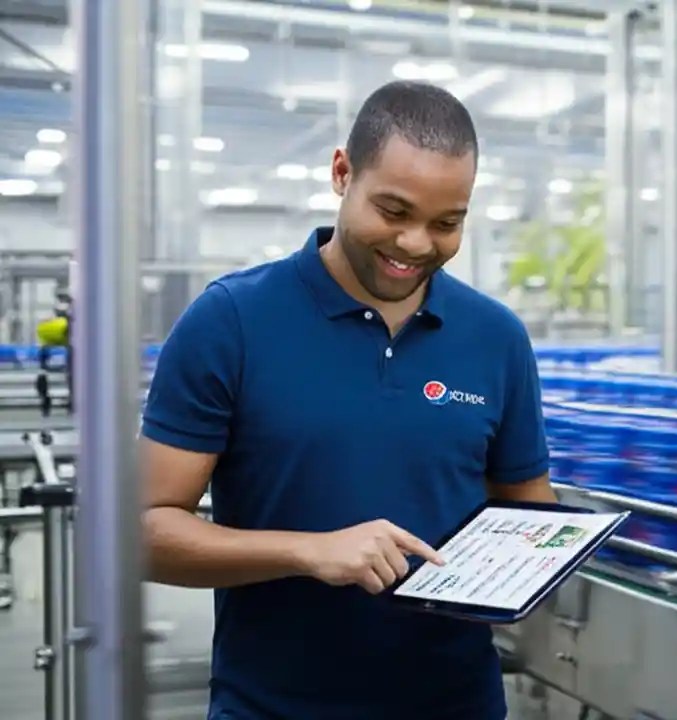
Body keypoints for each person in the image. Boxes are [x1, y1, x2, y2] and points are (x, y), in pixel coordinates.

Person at [140, 80, 555, 720]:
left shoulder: (495, 337)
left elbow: (530, 509)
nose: (416, 244)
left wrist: (536, 553)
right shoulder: (232, 322)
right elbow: (143, 532)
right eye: (393, 211)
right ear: (342, 173)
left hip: (456, 704)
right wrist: (309, 551)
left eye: (447, 223)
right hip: (275, 707)